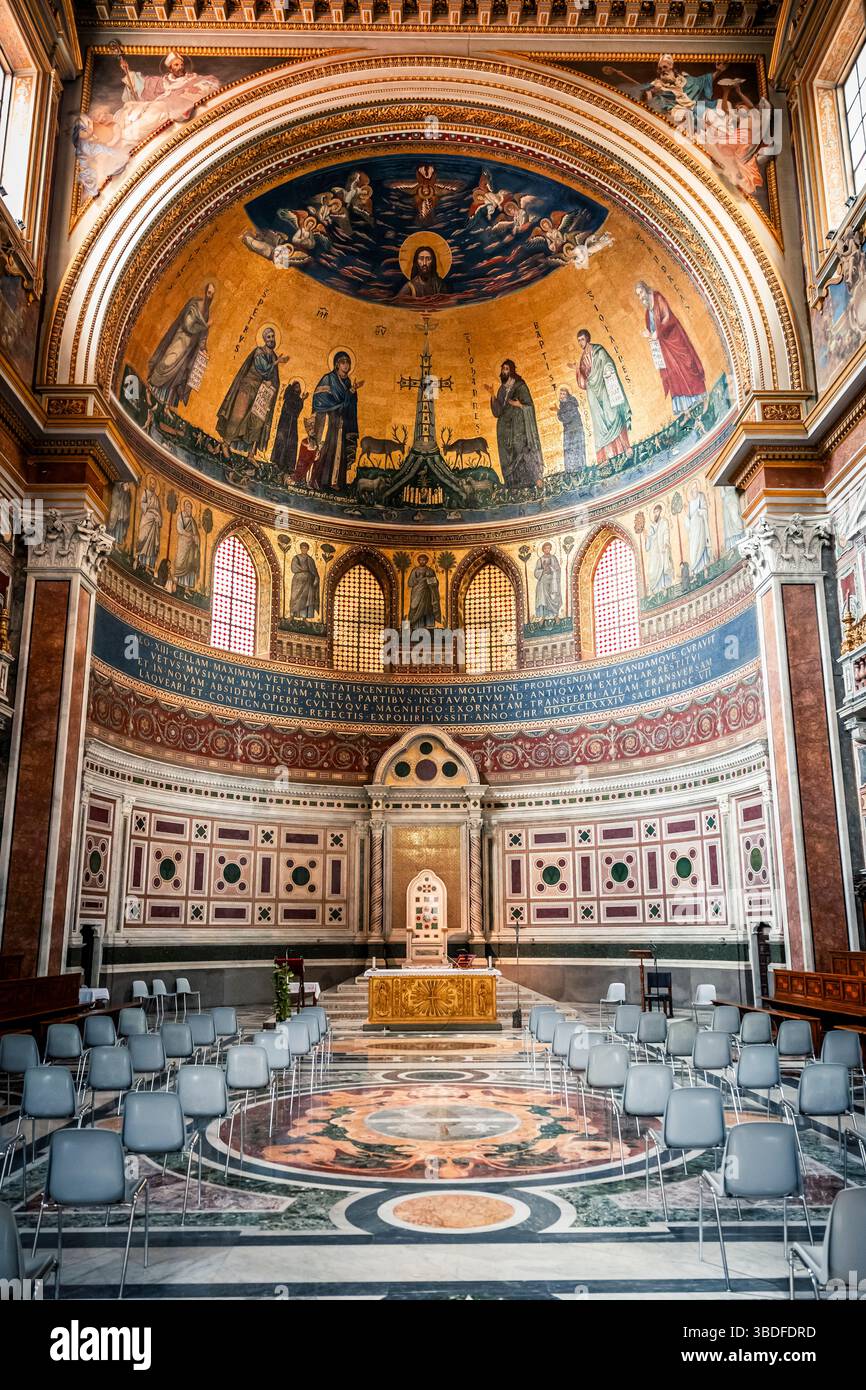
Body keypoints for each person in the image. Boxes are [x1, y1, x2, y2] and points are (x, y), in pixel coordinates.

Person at [216, 326, 288, 460]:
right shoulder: (259, 352)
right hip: (247, 388)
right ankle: (225, 444)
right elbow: (263, 368)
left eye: (273, 336)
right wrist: (277, 362)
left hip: (260, 393)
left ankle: (249, 453)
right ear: (264, 339)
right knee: (238, 415)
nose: (271, 339)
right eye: (269, 337)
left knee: (255, 422)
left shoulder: (273, 356)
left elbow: (273, 378)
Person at [635, 282, 706, 416]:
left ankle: (703, 398)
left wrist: (657, 332)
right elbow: (653, 332)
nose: (641, 297)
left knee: (688, 367)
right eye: (638, 295)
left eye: (641, 293)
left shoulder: (658, 298)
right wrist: (650, 335)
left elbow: (667, 317)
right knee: (674, 375)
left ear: (646, 289)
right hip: (664, 349)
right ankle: (686, 411)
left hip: (674, 339)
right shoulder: (647, 313)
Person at [146, 283, 214, 421]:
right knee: (166, 363)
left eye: (212, 294)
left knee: (178, 376)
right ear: (205, 291)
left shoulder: (207, 313)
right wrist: (205, 325)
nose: (210, 296)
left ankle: (166, 405)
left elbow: (203, 336)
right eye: (209, 292)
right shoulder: (194, 305)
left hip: (188, 350)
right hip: (180, 340)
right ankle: (149, 388)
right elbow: (188, 325)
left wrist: (203, 348)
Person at [571, 330, 631, 464]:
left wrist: (608, 370)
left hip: (604, 385)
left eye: (582, 339)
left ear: (587, 338)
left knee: (614, 414)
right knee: (599, 424)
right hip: (592, 391)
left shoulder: (598, 350)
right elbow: (583, 384)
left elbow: (608, 363)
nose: (581, 342)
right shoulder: (582, 360)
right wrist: (577, 370)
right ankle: (605, 457)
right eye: (578, 340)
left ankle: (626, 447)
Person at [486, 360, 544, 492]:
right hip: (505, 429)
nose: (503, 371)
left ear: (511, 370)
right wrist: (492, 395)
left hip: (519, 426)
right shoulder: (501, 390)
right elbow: (498, 412)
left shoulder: (520, 386)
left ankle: (531, 481)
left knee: (521, 450)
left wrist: (519, 405)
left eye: (506, 369)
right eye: (502, 369)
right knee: (508, 455)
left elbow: (529, 406)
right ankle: (513, 485)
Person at [309, 351, 363, 492]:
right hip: (329, 421)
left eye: (348, 362)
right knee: (327, 449)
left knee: (340, 451)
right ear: (337, 364)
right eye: (343, 362)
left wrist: (352, 392)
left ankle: (335, 481)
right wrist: (348, 394)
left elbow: (350, 403)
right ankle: (317, 479)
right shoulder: (329, 379)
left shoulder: (348, 382)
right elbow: (320, 399)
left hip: (342, 422)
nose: (346, 365)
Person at [272, 380, 307, 479]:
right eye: (296, 386)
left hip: (293, 426)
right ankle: (277, 462)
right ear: (292, 388)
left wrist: (302, 400)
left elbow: (297, 412)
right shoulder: (288, 397)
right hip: (285, 424)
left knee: (292, 443)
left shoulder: (298, 399)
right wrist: (300, 401)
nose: (298, 388)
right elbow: (290, 409)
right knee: (282, 441)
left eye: (299, 387)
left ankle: (289, 466)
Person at [645, 503, 674, 594]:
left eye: (657, 511)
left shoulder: (664, 522)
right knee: (653, 569)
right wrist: (648, 537)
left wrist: (666, 543)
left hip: (661, 548)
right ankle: (656, 589)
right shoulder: (651, 525)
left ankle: (663, 586)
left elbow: (666, 532)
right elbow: (649, 539)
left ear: (660, 511)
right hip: (654, 551)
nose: (655, 514)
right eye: (654, 512)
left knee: (663, 566)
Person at [136, 475, 163, 575]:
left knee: (151, 545)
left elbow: (158, 511)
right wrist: (151, 512)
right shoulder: (146, 493)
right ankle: (140, 561)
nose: (152, 486)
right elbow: (143, 505)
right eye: (151, 483)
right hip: (147, 520)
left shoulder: (156, 498)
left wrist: (158, 517)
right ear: (149, 484)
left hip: (154, 524)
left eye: (154, 484)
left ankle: (147, 566)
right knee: (143, 539)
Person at [172, 499, 200, 593]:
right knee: (180, 562)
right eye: (188, 507)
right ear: (184, 507)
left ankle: (187, 588)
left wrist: (196, 538)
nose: (189, 509)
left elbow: (196, 533)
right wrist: (187, 534)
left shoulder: (192, 520)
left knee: (190, 564)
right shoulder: (181, 516)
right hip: (183, 544)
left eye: (190, 507)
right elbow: (179, 529)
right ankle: (175, 583)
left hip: (191, 545)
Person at [407, 555, 441, 633]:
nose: (422, 561)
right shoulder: (415, 570)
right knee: (414, 607)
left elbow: (435, 582)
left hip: (427, 593)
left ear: (427, 561)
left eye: (424, 560)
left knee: (427, 609)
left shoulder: (430, 570)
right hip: (417, 592)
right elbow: (410, 583)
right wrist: (419, 580)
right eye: (421, 560)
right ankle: (413, 625)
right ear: (418, 561)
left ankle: (429, 626)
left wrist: (429, 579)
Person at [556, 388, 586, 474]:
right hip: (569, 430)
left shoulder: (570, 404)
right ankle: (572, 469)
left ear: (567, 395)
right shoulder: (564, 405)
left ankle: (578, 468)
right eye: (560, 394)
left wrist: (558, 412)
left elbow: (567, 418)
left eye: (563, 394)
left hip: (575, 429)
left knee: (576, 448)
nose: (561, 396)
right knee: (569, 449)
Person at [686, 481, 711, 575]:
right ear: (691, 492)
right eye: (693, 489)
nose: (695, 490)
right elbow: (687, 517)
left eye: (696, 488)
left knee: (702, 544)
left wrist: (700, 511)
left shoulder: (701, 497)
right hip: (693, 528)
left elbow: (704, 509)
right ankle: (696, 570)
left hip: (700, 524)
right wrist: (688, 523)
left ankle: (704, 566)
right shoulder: (690, 503)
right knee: (694, 547)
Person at [290, 542, 320, 621]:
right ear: (300, 548)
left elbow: (314, 571)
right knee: (295, 597)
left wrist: (316, 578)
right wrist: (304, 570)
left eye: (306, 548)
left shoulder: (310, 560)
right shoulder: (296, 558)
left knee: (306, 598)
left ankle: (304, 617)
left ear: (308, 549)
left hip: (308, 581)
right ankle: (292, 615)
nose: (304, 549)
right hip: (298, 580)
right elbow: (294, 567)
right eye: (303, 548)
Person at [534, 543, 562, 620]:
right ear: (543, 550)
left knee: (554, 597)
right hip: (543, 582)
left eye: (549, 548)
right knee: (543, 598)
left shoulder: (553, 558)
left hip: (553, 581)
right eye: (546, 548)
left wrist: (551, 569)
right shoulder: (540, 560)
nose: (547, 550)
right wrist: (543, 571)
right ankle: (543, 617)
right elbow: (536, 572)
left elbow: (557, 569)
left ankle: (555, 615)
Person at [293, 417, 320, 486]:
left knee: (310, 470)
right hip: (304, 462)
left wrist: (316, 454)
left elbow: (315, 450)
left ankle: (308, 482)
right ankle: (300, 480)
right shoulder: (305, 441)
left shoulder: (315, 442)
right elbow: (306, 448)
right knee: (302, 470)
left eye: (313, 429)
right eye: (310, 429)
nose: (312, 431)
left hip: (310, 461)